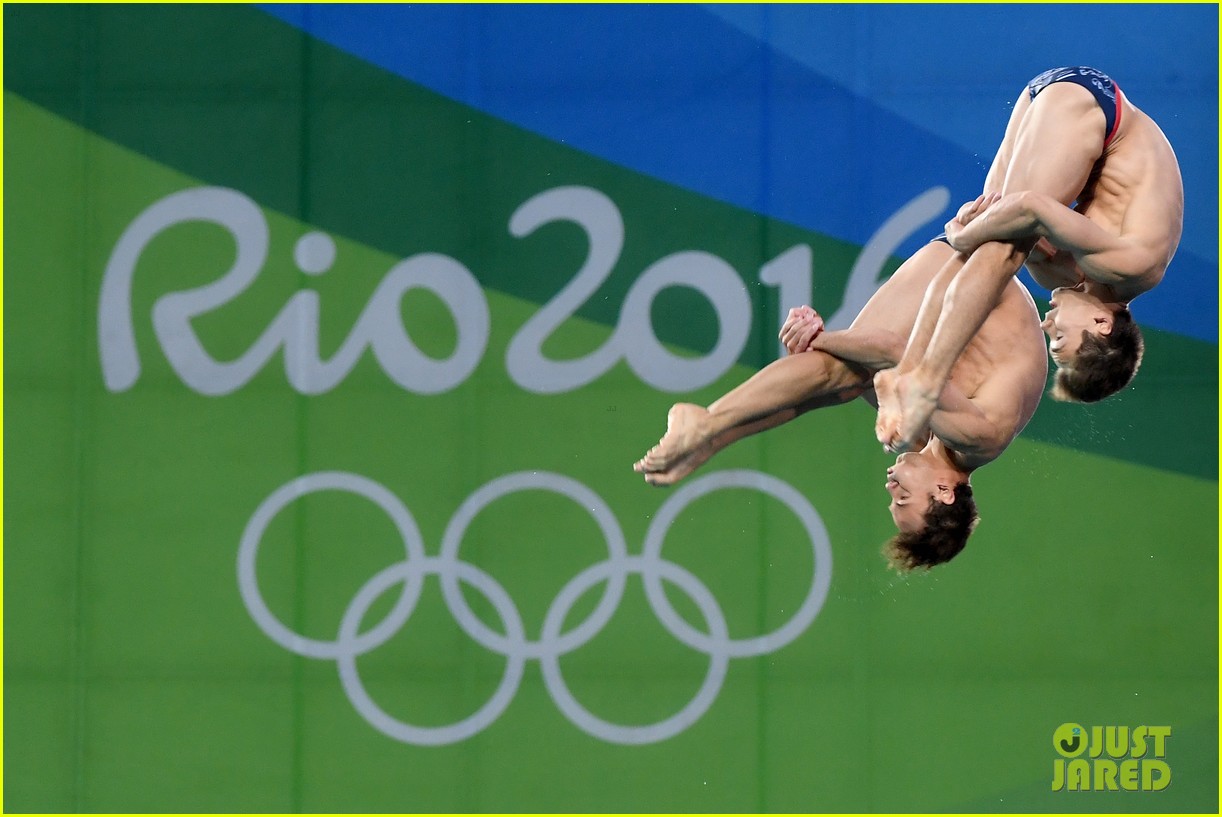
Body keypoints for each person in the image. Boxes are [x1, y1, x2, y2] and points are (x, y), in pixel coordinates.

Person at [632, 236, 1047, 570]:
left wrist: (722, 438)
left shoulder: (933, 437)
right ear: (945, 492)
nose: (890, 488)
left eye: (892, 500)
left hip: (965, 290)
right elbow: (892, 350)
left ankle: (710, 437)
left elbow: (813, 398)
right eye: (903, 499)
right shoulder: (978, 435)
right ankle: (705, 422)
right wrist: (819, 337)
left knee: (850, 388)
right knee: (851, 374)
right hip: (975, 266)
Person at [874, 66, 1184, 453]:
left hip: (1045, 100)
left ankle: (907, 370)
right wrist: (965, 231)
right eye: (1059, 339)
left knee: (987, 250)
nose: (1045, 323)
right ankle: (925, 380)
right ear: (1103, 323)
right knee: (999, 246)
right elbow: (1030, 206)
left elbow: (1007, 217)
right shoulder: (1133, 266)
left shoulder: (1058, 275)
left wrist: (973, 228)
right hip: (1093, 106)